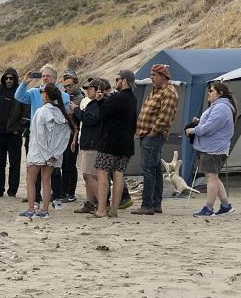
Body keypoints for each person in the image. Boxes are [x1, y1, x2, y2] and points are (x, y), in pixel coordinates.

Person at [14, 65, 71, 209]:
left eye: (48, 76)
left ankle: (54, 198)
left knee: (49, 175)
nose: (45, 78)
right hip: (36, 137)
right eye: (43, 75)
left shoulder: (61, 95)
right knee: (37, 175)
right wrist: (25, 82)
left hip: (51, 138)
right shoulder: (35, 92)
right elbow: (19, 96)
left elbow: (63, 114)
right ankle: (36, 201)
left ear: (55, 78)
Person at [19, 84, 74, 220]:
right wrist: (56, 153)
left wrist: (47, 154)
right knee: (46, 181)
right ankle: (45, 210)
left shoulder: (41, 111)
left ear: (45, 95)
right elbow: (65, 136)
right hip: (53, 154)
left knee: (31, 180)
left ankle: (31, 209)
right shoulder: (61, 112)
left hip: (39, 152)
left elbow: (39, 135)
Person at [133, 64, 180, 215]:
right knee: (155, 169)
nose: (151, 78)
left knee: (148, 169)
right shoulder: (156, 90)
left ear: (162, 76)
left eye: (154, 75)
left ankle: (147, 205)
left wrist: (153, 132)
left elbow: (164, 117)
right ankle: (155, 203)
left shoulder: (169, 92)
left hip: (153, 136)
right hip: (146, 134)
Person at [185, 82, 235, 217]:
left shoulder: (222, 108)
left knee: (211, 178)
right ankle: (226, 206)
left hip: (214, 149)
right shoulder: (218, 107)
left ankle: (208, 209)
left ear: (220, 94)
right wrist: (199, 123)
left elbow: (210, 127)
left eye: (211, 91)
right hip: (212, 147)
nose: (208, 93)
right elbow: (209, 124)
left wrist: (193, 130)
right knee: (213, 177)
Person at [94, 70, 139, 219]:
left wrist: (100, 101)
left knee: (102, 174)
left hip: (110, 143)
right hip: (126, 144)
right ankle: (114, 210)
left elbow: (102, 115)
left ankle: (101, 209)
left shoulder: (118, 98)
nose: (116, 82)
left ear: (124, 81)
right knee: (119, 174)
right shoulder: (133, 99)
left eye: (118, 79)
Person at [0, 68, 24, 197]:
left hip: (14, 135)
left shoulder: (20, 92)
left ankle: (12, 191)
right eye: (6, 78)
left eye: (11, 78)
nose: (9, 80)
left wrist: (19, 129)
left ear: (15, 79)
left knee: (15, 164)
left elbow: (26, 112)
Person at [72, 78, 104, 214]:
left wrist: (76, 110)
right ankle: (90, 203)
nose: (87, 90)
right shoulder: (93, 104)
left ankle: (103, 203)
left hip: (92, 144)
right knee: (91, 176)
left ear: (98, 90)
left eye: (90, 88)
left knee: (88, 176)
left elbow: (90, 120)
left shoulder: (98, 104)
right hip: (88, 142)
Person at [60, 70, 83, 203]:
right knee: (65, 164)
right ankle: (64, 191)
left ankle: (70, 192)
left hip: (74, 134)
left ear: (76, 83)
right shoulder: (65, 97)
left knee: (70, 164)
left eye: (70, 85)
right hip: (65, 133)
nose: (68, 88)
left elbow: (77, 120)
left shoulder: (80, 99)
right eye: (66, 86)